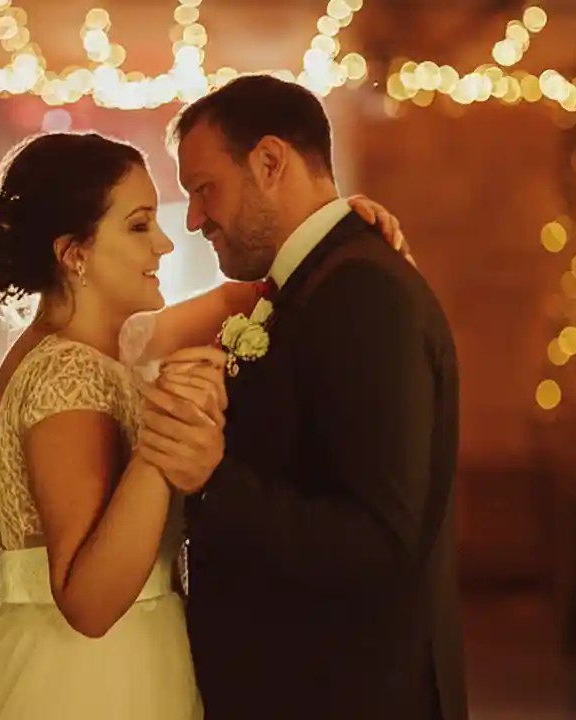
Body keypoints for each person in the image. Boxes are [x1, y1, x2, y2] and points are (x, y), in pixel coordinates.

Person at [0, 130, 407, 719]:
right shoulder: (65, 371)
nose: (165, 243)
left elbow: (249, 296)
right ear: (75, 253)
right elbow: (90, 603)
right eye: (139, 225)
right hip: (90, 680)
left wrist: (338, 230)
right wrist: (166, 434)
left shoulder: (110, 348)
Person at [145, 74, 466, 720]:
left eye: (205, 190)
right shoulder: (309, 285)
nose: (195, 220)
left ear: (269, 163)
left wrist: (213, 480)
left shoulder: (361, 292)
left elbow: (381, 542)